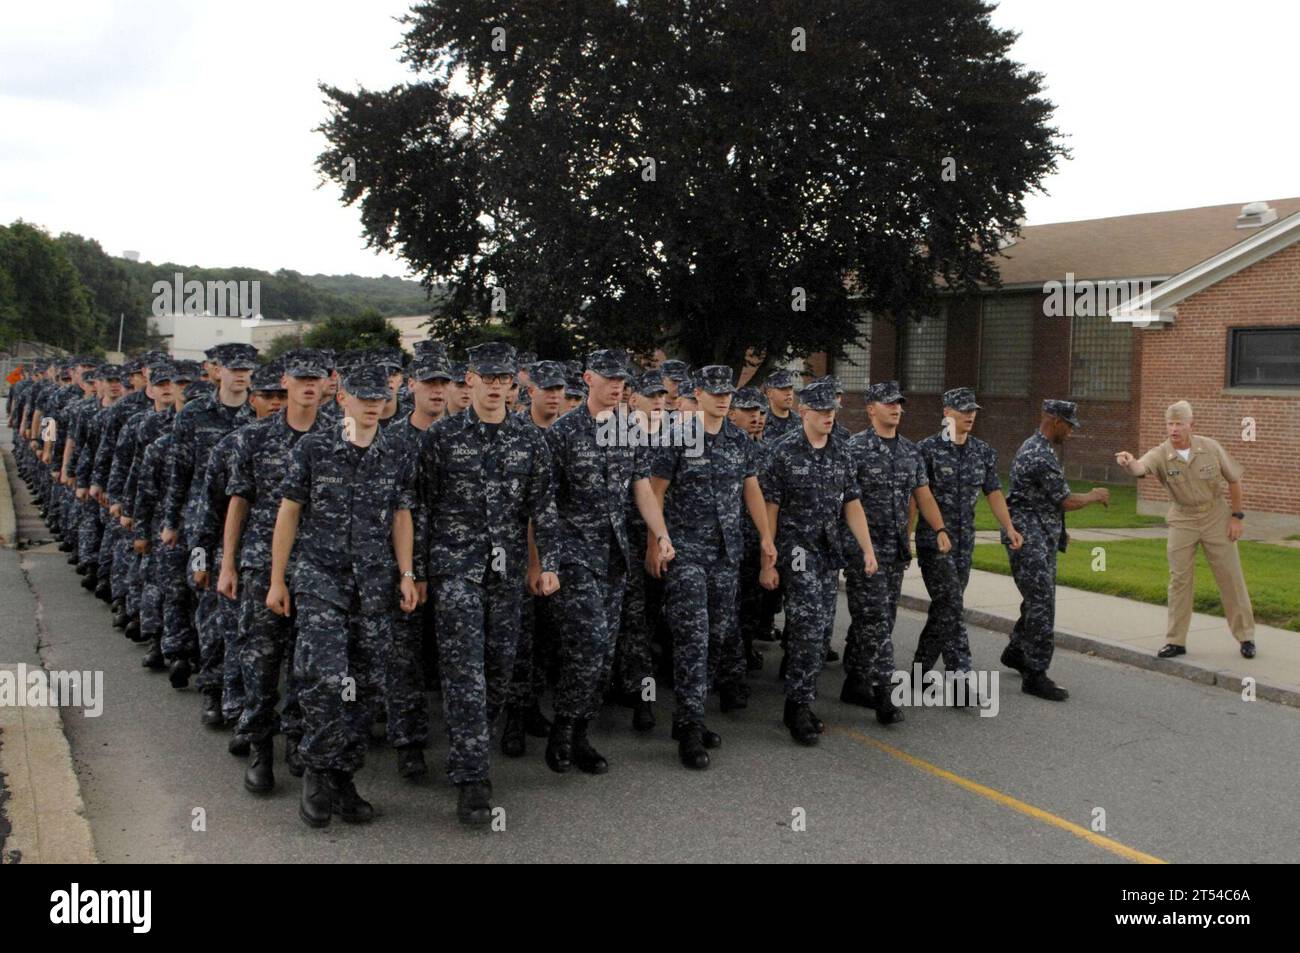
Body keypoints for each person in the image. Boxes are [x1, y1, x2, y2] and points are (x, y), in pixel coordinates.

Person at [269, 363, 418, 828]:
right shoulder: (314, 447)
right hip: (321, 581)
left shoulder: (395, 450)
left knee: (367, 685)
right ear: (343, 399)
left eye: (380, 397)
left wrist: (408, 573)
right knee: (324, 679)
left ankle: (343, 777)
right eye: (363, 397)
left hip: (374, 585)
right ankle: (316, 770)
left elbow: (401, 515)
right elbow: (289, 513)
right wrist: (278, 579)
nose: (373, 405)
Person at [419, 342, 560, 824]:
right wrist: (416, 572)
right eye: (489, 377)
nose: (498, 386)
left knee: (499, 670)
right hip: (455, 567)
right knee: (465, 672)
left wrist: (548, 564)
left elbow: (542, 508)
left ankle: (474, 744)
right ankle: (472, 776)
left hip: (507, 574)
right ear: (470, 379)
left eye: (506, 379)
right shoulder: (441, 438)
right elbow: (422, 508)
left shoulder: (528, 438)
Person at [544, 349, 673, 775]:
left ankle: (580, 732)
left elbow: (642, 490)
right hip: (574, 552)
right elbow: (542, 503)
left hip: (615, 557)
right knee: (590, 642)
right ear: (587, 379)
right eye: (608, 377)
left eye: (622, 379)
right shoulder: (562, 433)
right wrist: (542, 561)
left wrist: (660, 534)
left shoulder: (629, 430)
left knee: (603, 651)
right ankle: (564, 731)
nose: (617, 385)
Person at [649, 366, 775, 768]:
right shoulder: (676, 438)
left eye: (728, 394)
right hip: (685, 552)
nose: (723, 400)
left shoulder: (740, 440)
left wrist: (767, 537)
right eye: (715, 393)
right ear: (698, 394)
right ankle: (688, 726)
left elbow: (751, 489)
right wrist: (657, 542)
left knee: (719, 636)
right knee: (693, 638)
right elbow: (655, 492)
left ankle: (693, 713)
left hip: (727, 554)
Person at [221, 350, 330, 790]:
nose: (308, 385)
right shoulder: (254, 437)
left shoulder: (339, 436)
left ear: (327, 383)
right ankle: (260, 748)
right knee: (261, 660)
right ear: (285, 381)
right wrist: (227, 562)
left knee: (309, 664)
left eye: (316, 377)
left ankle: (299, 741)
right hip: (261, 564)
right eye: (300, 377)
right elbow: (239, 502)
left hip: (320, 568)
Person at [760, 380, 878, 745]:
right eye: (822, 411)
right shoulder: (783, 452)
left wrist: (867, 548)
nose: (829, 417)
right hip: (796, 551)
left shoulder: (842, 453)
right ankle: (797, 706)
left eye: (832, 411)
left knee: (821, 628)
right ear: (803, 412)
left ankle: (802, 698)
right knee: (809, 625)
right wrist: (768, 558)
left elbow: (852, 504)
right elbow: (770, 508)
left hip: (829, 553)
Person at [841, 381, 950, 724]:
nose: (896, 409)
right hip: (864, 549)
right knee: (875, 619)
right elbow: (841, 500)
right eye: (889, 403)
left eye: (899, 404)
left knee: (881, 618)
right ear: (871, 408)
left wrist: (940, 529)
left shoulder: (909, 451)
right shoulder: (853, 448)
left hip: (896, 550)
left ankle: (855, 679)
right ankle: (883, 692)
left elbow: (923, 494)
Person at [1114, 400, 1256, 659]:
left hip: (1216, 515)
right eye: (1170, 423)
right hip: (1183, 519)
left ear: (1191, 425)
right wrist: (1128, 462)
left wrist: (1237, 517)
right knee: (1179, 580)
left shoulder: (1210, 447)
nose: (1174, 429)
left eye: (1179, 423)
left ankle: (1246, 637)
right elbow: (1140, 468)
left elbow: (1234, 480)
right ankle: (1176, 641)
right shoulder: (1160, 453)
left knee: (1230, 577)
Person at [914, 388, 1023, 688]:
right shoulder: (926, 451)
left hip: (964, 544)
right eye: (963, 410)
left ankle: (920, 671)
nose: (970, 415)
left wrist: (1009, 528)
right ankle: (960, 677)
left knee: (945, 606)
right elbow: (916, 497)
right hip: (934, 542)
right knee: (951, 604)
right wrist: (907, 536)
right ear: (947, 412)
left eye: (973, 410)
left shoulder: (983, 451)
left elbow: (994, 492)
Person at [1001, 400, 1110, 701]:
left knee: (1037, 598)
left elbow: (1044, 502)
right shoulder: (1039, 454)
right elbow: (1065, 500)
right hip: (1028, 538)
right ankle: (1035, 674)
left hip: (1039, 535)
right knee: (1042, 603)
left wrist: (1058, 533)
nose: (1071, 432)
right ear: (1053, 420)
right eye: (1069, 425)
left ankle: (1016, 652)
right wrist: (1094, 495)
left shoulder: (1041, 448)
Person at [502, 359, 569, 754]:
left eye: (561, 390)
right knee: (520, 640)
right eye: (548, 389)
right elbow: (526, 507)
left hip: (560, 550)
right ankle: (514, 717)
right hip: (521, 551)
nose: (556, 396)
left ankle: (532, 708)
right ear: (532, 392)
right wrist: (533, 560)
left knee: (547, 638)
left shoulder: (569, 433)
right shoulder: (519, 433)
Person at [761, 369, 799, 444]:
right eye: (783, 389)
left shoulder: (801, 422)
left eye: (790, 388)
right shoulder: (759, 422)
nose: (789, 393)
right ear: (769, 393)